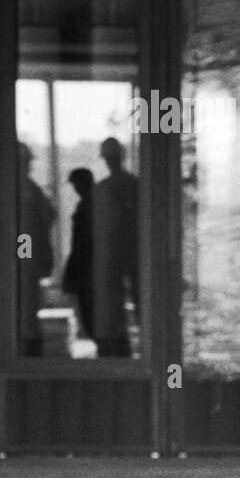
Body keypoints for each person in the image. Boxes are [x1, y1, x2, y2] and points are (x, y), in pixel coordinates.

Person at [93, 137, 139, 357]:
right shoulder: (136, 186)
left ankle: (122, 350)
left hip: (115, 254)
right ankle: (143, 348)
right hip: (136, 252)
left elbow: (101, 228)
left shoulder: (104, 189)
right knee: (142, 304)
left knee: (114, 309)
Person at [16, 142, 56, 357]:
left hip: (24, 263)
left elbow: (30, 231)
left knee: (27, 312)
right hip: (23, 263)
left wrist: (27, 260)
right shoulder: (24, 190)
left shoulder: (29, 190)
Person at [61, 167, 96, 345]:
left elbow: (82, 243)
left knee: (90, 311)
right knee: (87, 312)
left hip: (88, 268)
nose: (75, 189)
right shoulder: (87, 205)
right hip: (86, 267)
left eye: (77, 185)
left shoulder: (91, 206)